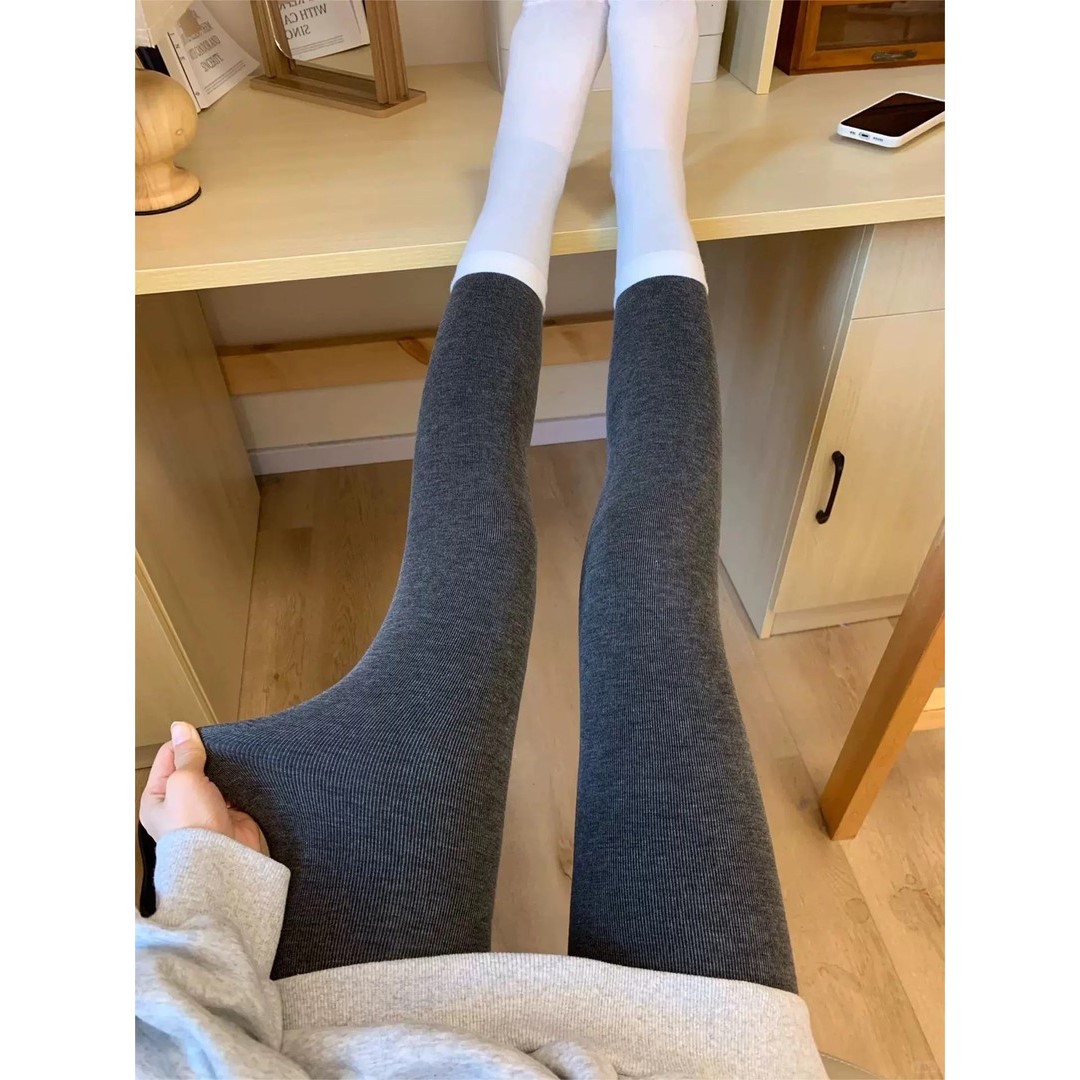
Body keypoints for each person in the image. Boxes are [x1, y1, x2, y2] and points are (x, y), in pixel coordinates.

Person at [135, 2, 825, 1076]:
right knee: (653, 574)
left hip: (313, 1022)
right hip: (695, 1058)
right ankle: (647, 176)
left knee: (466, 561)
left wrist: (207, 896)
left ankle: (533, 178)